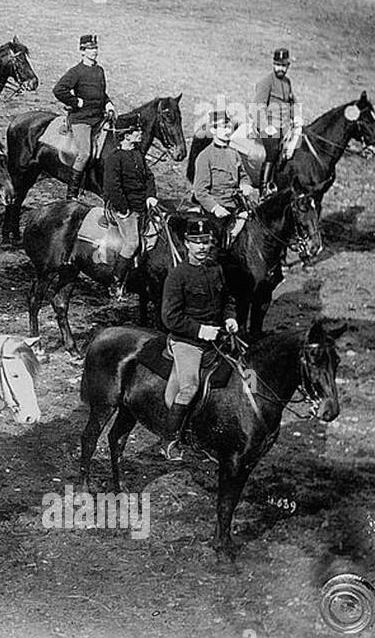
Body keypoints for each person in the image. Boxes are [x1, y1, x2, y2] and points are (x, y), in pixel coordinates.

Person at [159, 218, 239, 460]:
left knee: (246, 375)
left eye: (206, 242)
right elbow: (169, 317)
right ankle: (169, 441)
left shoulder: (216, 269)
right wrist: (199, 330)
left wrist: (230, 318)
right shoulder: (177, 275)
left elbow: (228, 300)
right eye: (196, 242)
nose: (202, 247)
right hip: (187, 342)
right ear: (186, 244)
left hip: (217, 337)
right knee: (190, 388)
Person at [101, 115, 160, 300]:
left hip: (142, 204)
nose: (141, 134)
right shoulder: (114, 159)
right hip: (124, 208)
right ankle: (116, 282)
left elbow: (149, 177)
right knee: (132, 243)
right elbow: (112, 187)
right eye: (137, 131)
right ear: (126, 135)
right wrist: (124, 208)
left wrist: (150, 196)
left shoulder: (138, 154)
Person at [52, 34, 116, 199]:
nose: (93, 51)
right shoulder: (76, 72)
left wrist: (108, 103)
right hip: (82, 119)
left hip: (99, 117)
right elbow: (58, 90)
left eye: (95, 48)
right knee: (85, 154)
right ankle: (72, 193)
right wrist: (75, 102)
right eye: (89, 49)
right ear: (82, 51)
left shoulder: (99, 70)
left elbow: (100, 93)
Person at [192, 109, 259, 243]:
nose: (228, 130)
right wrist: (215, 208)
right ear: (213, 130)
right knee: (219, 245)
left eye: (229, 126)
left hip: (236, 205)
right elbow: (200, 191)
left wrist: (245, 185)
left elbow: (243, 176)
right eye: (223, 126)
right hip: (216, 208)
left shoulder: (234, 153)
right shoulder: (205, 156)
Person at [252, 46, 300, 184]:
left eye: (283, 66)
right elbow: (258, 106)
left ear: (288, 66)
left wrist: (296, 117)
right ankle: (265, 186)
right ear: (273, 64)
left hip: (284, 126)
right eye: (278, 65)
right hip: (268, 125)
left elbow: (292, 102)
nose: (281, 69)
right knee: (272, 151)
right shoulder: (266, 82)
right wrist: (266, 126)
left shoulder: (287, 82)